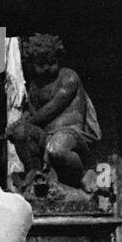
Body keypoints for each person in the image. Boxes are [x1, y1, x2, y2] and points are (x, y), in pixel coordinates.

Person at [6, 33, 100, 191]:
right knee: (20, 132)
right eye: (40, 64)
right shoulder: (36, 85)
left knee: (56, 150)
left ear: (59, 58)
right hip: (45, 134)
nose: (46, 68)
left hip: (71, 132)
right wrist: (17, 125)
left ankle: (83, 175)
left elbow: (51, 109)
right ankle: (34, 170)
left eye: (51, 62)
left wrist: (25, 122)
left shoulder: (69, 77)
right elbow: (31, 113)